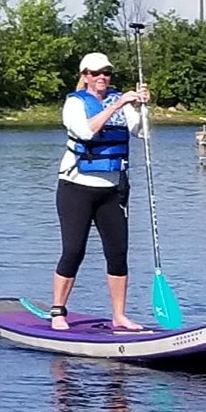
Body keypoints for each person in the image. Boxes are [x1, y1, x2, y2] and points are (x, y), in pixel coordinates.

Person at [50, 51, 150, 332]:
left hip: (113, 189)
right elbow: (86, 132)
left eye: (107, 72)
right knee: (74, 250)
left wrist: (142, 107)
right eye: (96, 73)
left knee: (118, 253)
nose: (102, 77)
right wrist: (118, 104)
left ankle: (119, 315)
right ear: (85, 76)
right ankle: (58, 311)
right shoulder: (74, 103)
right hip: (76, 187)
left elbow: (142, 132)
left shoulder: (121, 101)